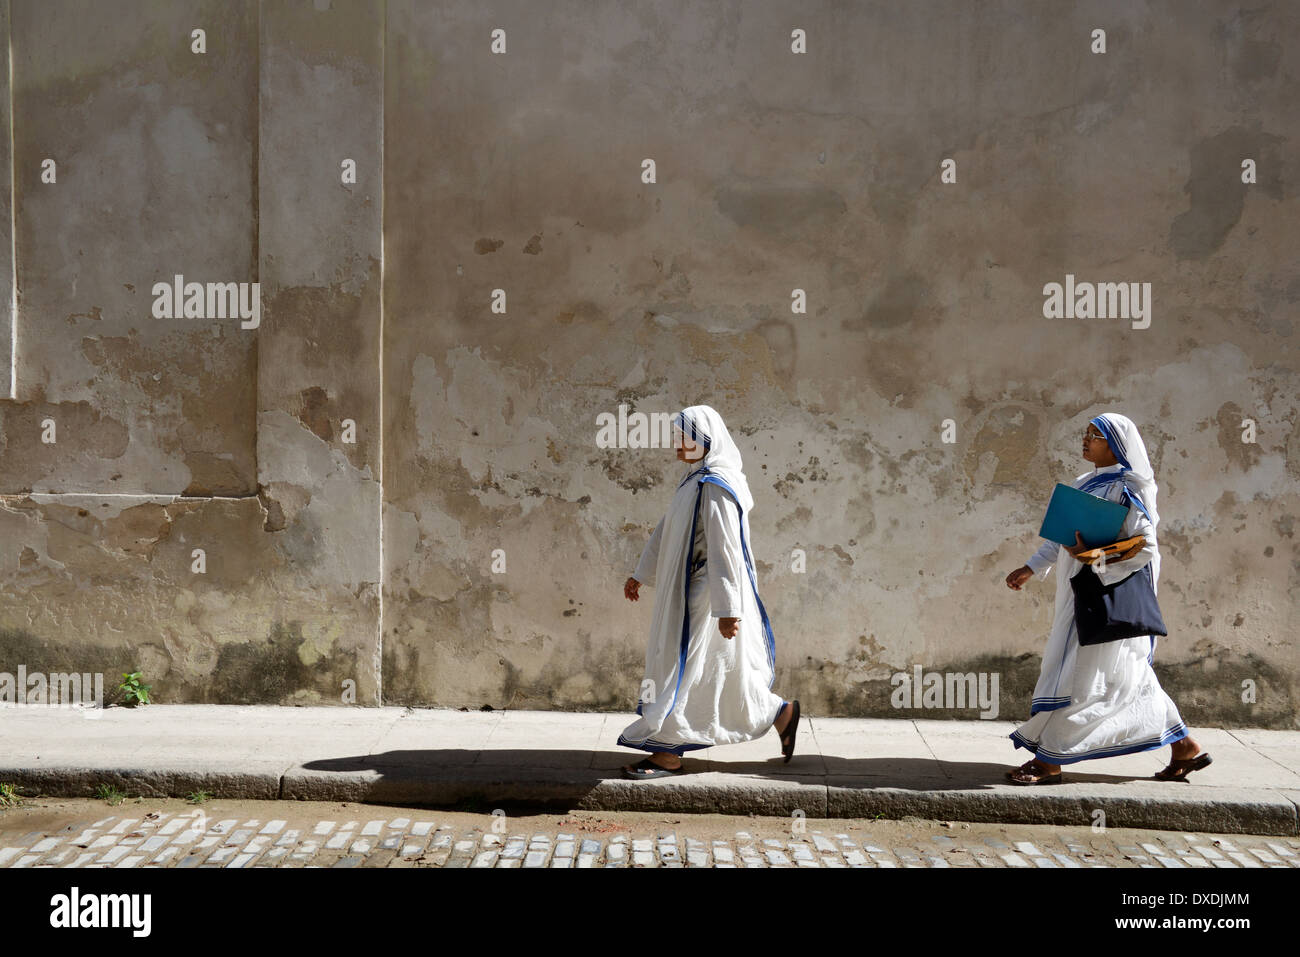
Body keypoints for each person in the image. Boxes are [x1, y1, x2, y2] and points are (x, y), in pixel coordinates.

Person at [1002, 412, 1211, 784]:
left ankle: (1048, 760)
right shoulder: (1085, 483)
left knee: (1083, 674)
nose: (1086, 440)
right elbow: (1060, 537)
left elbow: (1144, 547)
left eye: (1096, 435)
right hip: (1076, 594)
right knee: (1126, 675)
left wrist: (1094, 559)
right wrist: (1031, 568)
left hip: (1105, 595)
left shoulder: (1131, 487)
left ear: (1117, 444)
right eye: (1086, 433)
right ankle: (1183, 746)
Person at [617, 404, 799, 778]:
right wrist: (641, 573)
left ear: (706, 439)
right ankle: (780, 713)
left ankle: (666, 752)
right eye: (677, 436)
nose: (677, 444)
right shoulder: (693, 480)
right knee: (712, 673)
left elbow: (725, 548)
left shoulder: (716, 485)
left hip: (701, 594)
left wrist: (729, 608)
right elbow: (666, 530)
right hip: (684, 592)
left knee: (679, 671)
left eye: (684, 436)